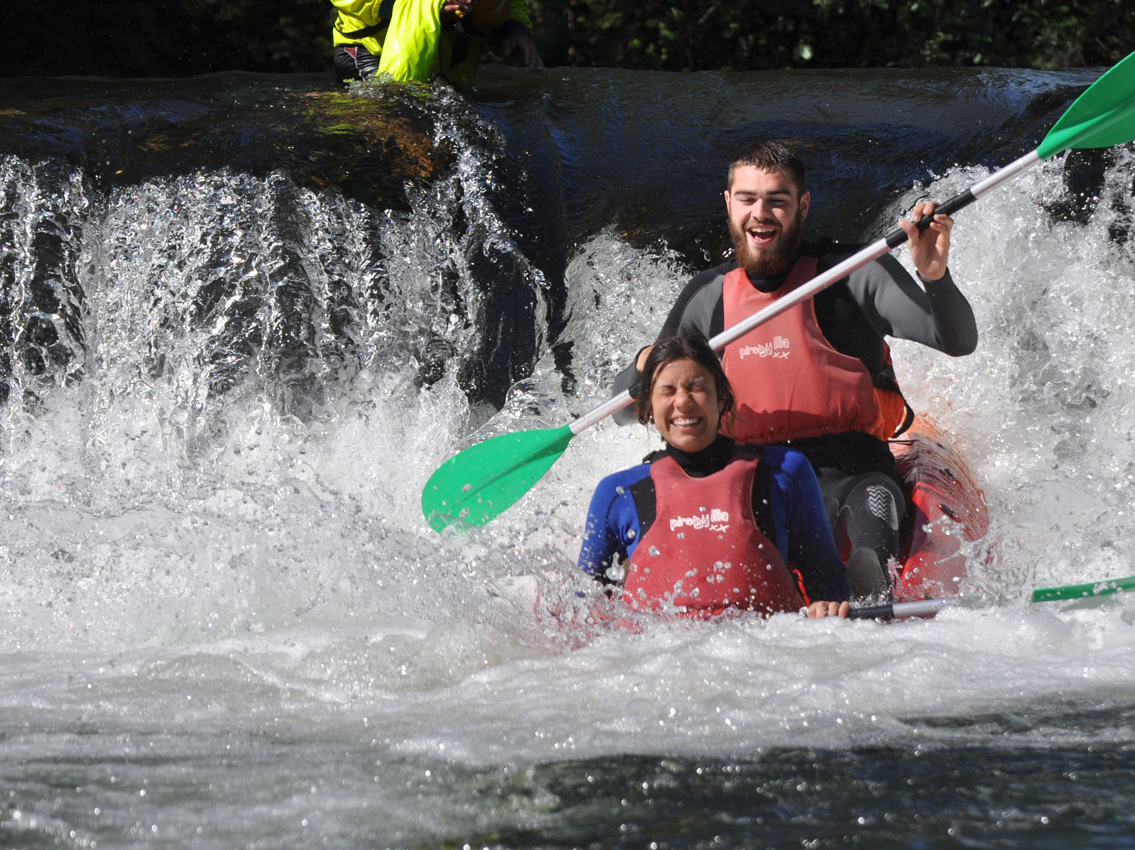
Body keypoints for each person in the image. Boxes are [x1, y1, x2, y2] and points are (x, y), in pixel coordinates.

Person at [618, 140, 977, 597]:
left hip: (850, 470)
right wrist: (642, 364)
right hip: (752, 481)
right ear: (729, 204)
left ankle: (870, 587)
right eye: (747, 199)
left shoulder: (853, 273)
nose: (760, 213)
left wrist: (934, 277)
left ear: (802, 205)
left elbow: (957, 342)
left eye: (777, 200)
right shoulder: (707, 295)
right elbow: (626, 410)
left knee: (874, 501)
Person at [580, 333, 852, 619]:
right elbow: (583, 614)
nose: (683, 402)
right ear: (648, 406)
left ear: (721, 399)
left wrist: (830, 608)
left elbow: (828, 583)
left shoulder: (784, 472)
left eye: (696, 388)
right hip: (657, 657)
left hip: (768, 652)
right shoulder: (618, 493)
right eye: (668, 390)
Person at [332, 0, 543, 88]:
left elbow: (507, 4)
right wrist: (434, 7)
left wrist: (513, 30)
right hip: (371, 50)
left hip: (451, 64)